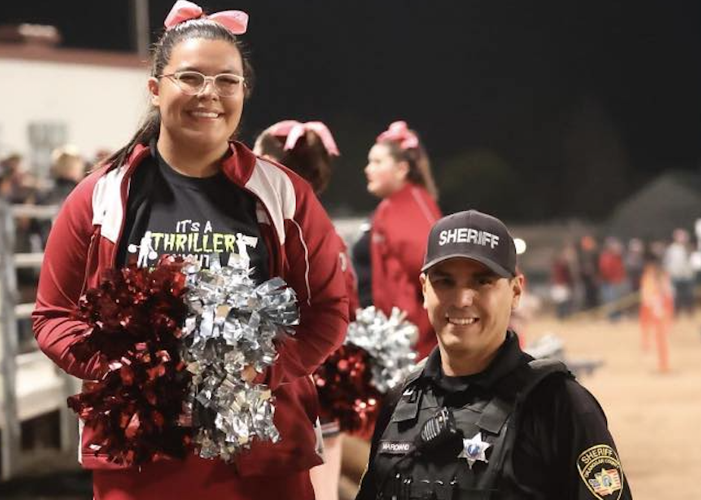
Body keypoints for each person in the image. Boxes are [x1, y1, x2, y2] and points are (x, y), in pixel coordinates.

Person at [32, 3, 349, 499]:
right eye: (191, 78)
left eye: (228, 80)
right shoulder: (101, 196)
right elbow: (53, 315)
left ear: (244, 90)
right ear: (156, 89)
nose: (211, 94)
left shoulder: (284, 195)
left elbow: (328, 311)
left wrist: (259, 369)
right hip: (140, 456)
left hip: (263, 457)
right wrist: (131, 371)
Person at [356, 210, 632, 500]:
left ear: (515, 291)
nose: (462, 300)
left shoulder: (558, 405)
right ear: (424, 288)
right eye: (445, 281)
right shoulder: (400, 401)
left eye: (482, 281)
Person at [254, 120, 359, 500]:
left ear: (268, 162)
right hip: (322, 381)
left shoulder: (283, 231)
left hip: (287, 390)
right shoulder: (326, 229)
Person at [352, 121, 442, 360]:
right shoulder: (393, 205)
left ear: (402, 169)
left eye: (378, 162)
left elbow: (437, 269)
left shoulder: (408, 206)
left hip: (413, 345)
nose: (367, 169)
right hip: (396, 341)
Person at [639, 252, 674, 373]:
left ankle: (663, 364)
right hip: (657, 310)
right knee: (660, 338)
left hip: (659, 311)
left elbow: (662, 294)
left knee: (661, 339)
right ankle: (662, 362)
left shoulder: (658, 277)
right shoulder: (653, 276)